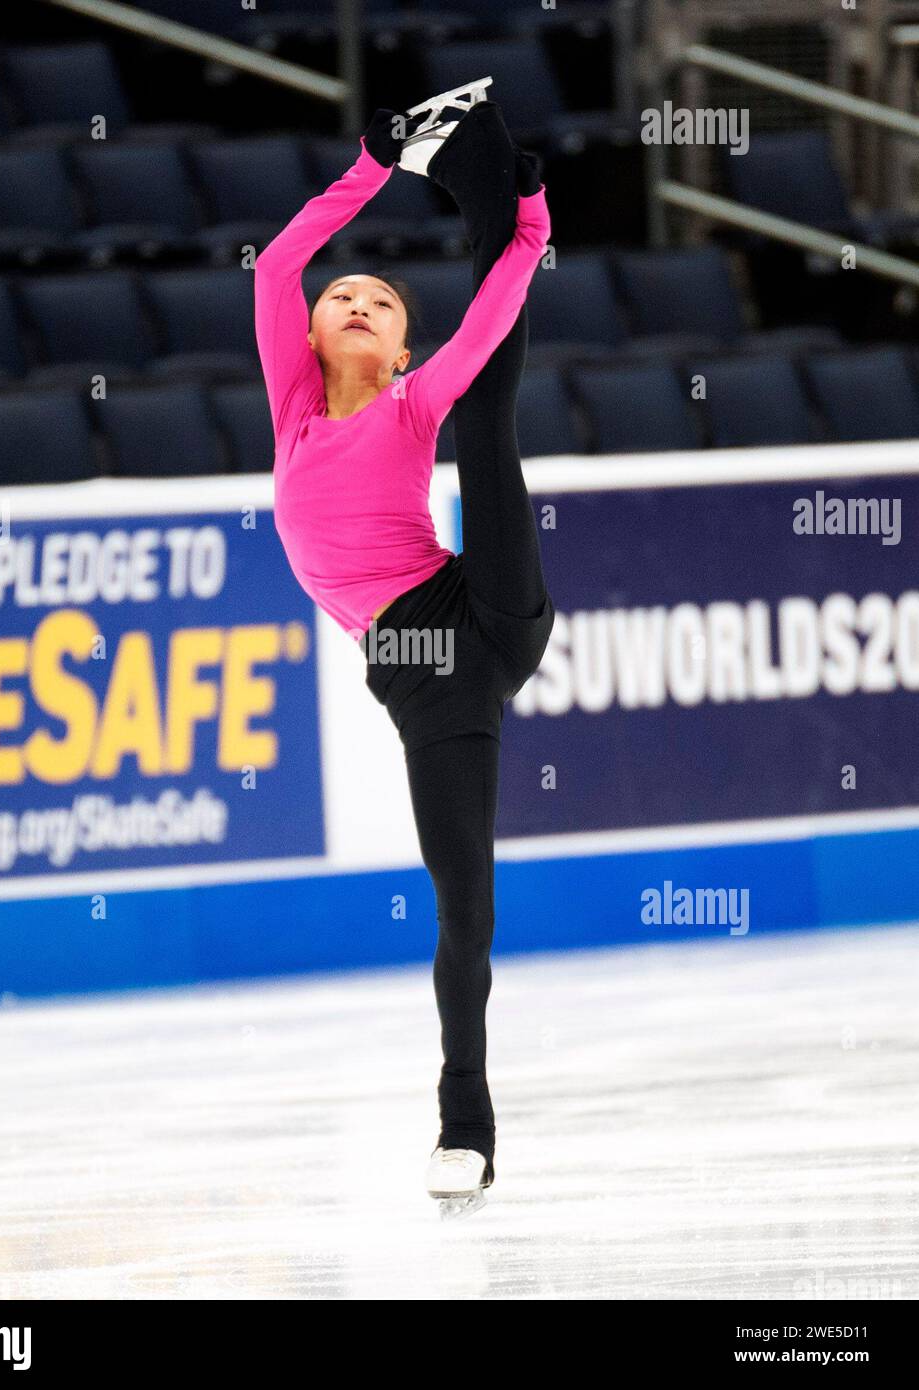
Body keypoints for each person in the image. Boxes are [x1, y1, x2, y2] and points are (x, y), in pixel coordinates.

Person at [253, 97, 554, 1205]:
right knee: (461, 898)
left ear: (398, 345)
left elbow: (491, 319)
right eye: (345, 298)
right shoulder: (293, 413)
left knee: (483, 420)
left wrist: (522, 225)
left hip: (481, 606)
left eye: (381, 300)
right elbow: (278, 263)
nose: (360, 302)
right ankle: (465, 1124)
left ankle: (494, 186)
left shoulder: (413, 402)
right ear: (319, 336)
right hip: (429, 673)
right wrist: (371, 165)